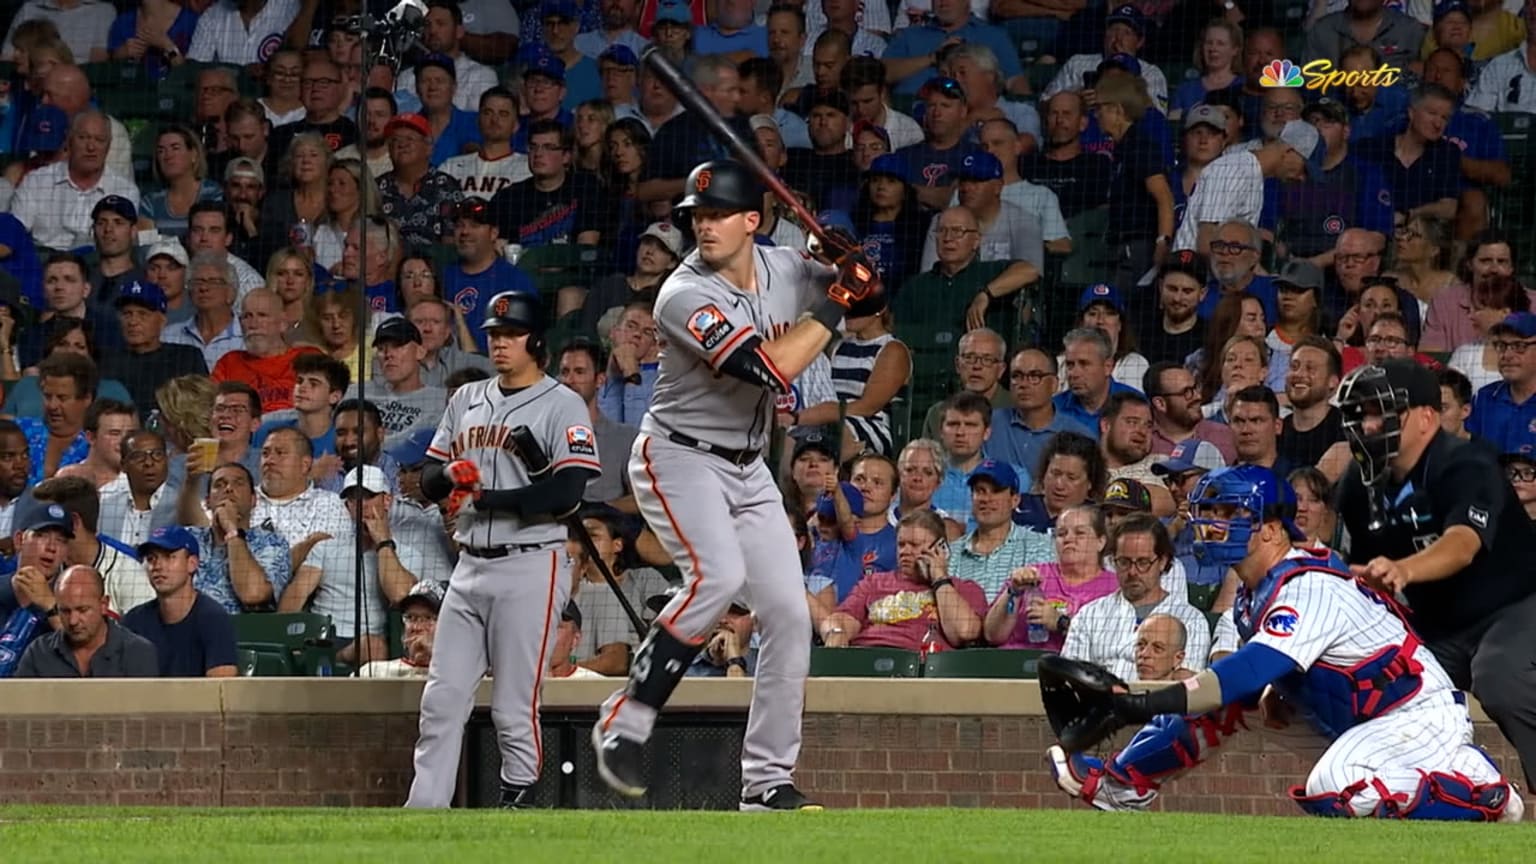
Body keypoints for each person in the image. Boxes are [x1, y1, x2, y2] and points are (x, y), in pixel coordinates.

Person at [592, 159, 881, 811]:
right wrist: (840, 297)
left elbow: (869, 303)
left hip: (749, 467)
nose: (705, 226)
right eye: (697, 216)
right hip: (678, 456)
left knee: (789, 616)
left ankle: (767, 781)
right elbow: (768, 369)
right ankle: (625, 718)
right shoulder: (681, 294)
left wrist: (856, 267)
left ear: (753, 219)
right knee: (717, 576)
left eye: (719, 214)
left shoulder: (786, 267)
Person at [1046, 463, 1525, 822]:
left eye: (1230, 513)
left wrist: (1137, 705)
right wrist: (1275, 690)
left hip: (1415, 716)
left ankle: (1484, 794)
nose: (1213, 523)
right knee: (1226, 702)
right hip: (1357, 713)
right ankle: (1122, 786)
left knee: (1335, 789)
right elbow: (1251, 682)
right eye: (1209, 512)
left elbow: (1245, 671)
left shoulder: (1308, 586)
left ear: (1272, 529)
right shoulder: (1252, 594)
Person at [405, 291, 599, 811]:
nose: (500, 343)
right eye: (494, 334)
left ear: (536, 341)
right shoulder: (467, 399)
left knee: (514, 703)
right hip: (470, 563)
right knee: (441, 699)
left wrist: (486, 498)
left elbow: (567, 492)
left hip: (531, 562)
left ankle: (520, 802)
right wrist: (449, 476)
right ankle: (423, 811)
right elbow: (428, 476)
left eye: (511, 334)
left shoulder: (562, 403)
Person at [1334, 359, 1536, 790]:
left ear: (1426, 417)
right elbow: (1369, 576)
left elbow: (1463, 545)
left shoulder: (1466, 462)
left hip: (1519, 604)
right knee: (1379, 692)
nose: (1367, 425)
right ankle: (1432, 797)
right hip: (1440, 627)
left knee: (1499, 677)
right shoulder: (1356, 485)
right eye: (1359, 414)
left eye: (1380, 412)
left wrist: (1404, 569)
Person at [121, 525, 238, 678]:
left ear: (192, 564)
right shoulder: (134, 621)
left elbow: (221, 686)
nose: (157, 566)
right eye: (151, 559)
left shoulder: (213, 618)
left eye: (169, 556)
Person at [15, 565, 160, 679]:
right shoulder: (38, 653)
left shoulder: (138, 653)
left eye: (82, 610)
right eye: (65, 611)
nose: (73, 621)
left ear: (104, 605)